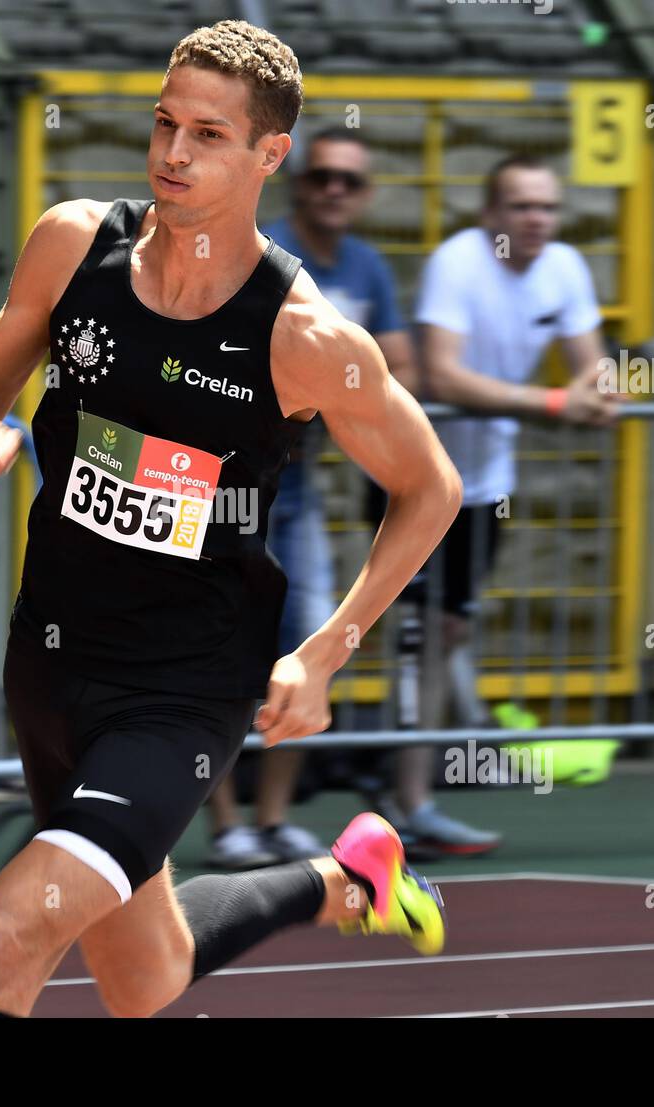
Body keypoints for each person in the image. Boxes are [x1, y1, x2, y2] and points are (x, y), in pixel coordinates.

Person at [0, 20, 461, 1019]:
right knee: (145, 980)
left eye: (208, 136)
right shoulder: (73, 247)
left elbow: (429, 487)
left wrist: (324, 654)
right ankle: (343, 881)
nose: (172, 155)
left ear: (271, 154)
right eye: (165, 124)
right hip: (48, 664)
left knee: (8, 934)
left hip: (180, 689)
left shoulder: (306, 340)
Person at [380, 153, 620, 857]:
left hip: (486, 487)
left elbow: (591, 365)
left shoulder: (565, 267)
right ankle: (403, 797)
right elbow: (445, 373)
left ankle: (404, 785)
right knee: (417, 637)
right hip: (414, 473)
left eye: (547, 207)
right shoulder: (458, 263)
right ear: (491, 215)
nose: (536, 219)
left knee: (446, 631)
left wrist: (601, 389)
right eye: (521, 206)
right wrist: (554, 402)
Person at [206, 126, 422, 870]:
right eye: (323, 176)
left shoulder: (367, 266)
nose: (335, 189)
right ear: (299, 180)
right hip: (217, 492)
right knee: (217, 656)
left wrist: (337, 383)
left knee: (308, 650)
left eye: (349, 181)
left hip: (294, 497)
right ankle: (225, 822)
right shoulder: (262, 253)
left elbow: (402, 369)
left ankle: (273, 820)